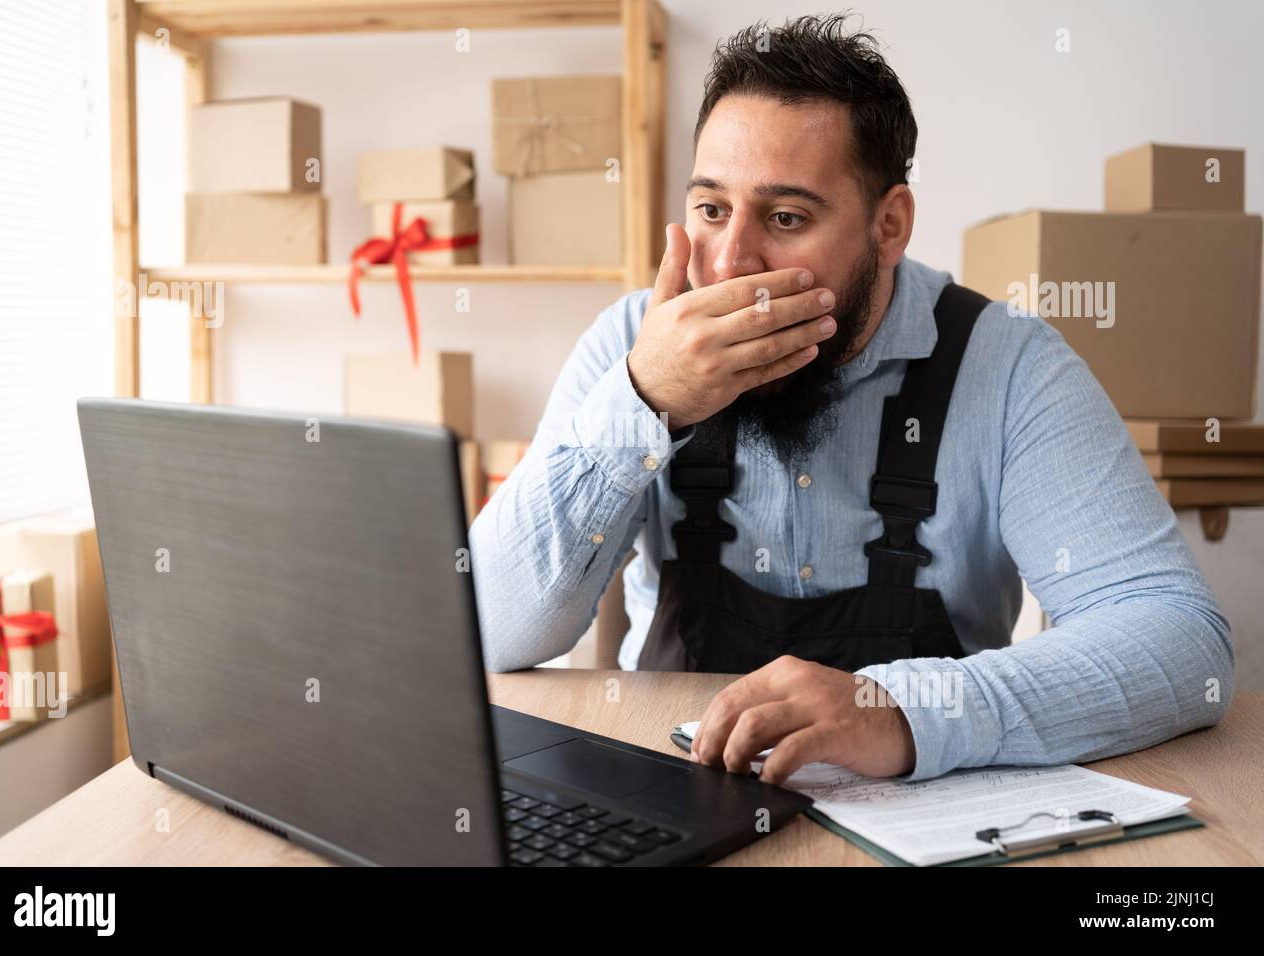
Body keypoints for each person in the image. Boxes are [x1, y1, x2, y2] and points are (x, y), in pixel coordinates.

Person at [469, 13, 1233, 786]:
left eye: (786, 218)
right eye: (711, 209)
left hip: (921, 812)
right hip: (673, 793)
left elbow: (1180, 639)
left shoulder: (1008, 366)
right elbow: (490, 630)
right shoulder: (631, 345)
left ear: (888, 226)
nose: (730, 264)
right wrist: (643, 402)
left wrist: (903, 710)